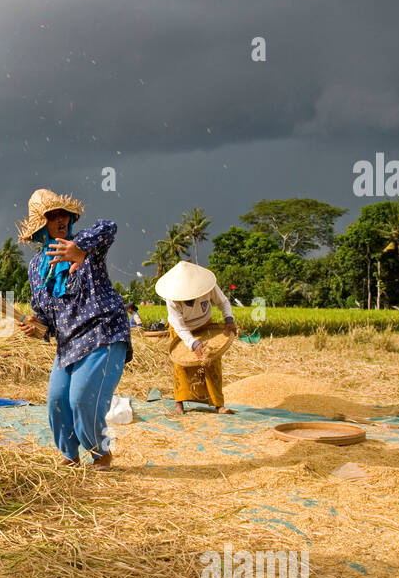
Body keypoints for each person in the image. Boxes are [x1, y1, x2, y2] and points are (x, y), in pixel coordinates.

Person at [16, 189, 131, 470]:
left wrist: (78, 248)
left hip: (103, 332)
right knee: (57, 401)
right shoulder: (35, 268)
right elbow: (46, 318)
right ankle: (70, 455)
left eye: (63, 214)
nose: (61, 220)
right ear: (40, 228)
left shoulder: (85, 246)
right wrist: (37, 327)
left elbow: (109, 226)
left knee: (82, 399)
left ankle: (100, 452)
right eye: (52, 216)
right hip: (68, 344)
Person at [158, 261, 237, 414]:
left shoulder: (208, 286)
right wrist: (192, 343)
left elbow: (223, 301)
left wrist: (229, 319)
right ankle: (179, 405)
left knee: (211, 362)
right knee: (181, 366)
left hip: (205, 325)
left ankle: (218, 405)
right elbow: (178, 324)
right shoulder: (172, 298)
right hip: (181, 330)